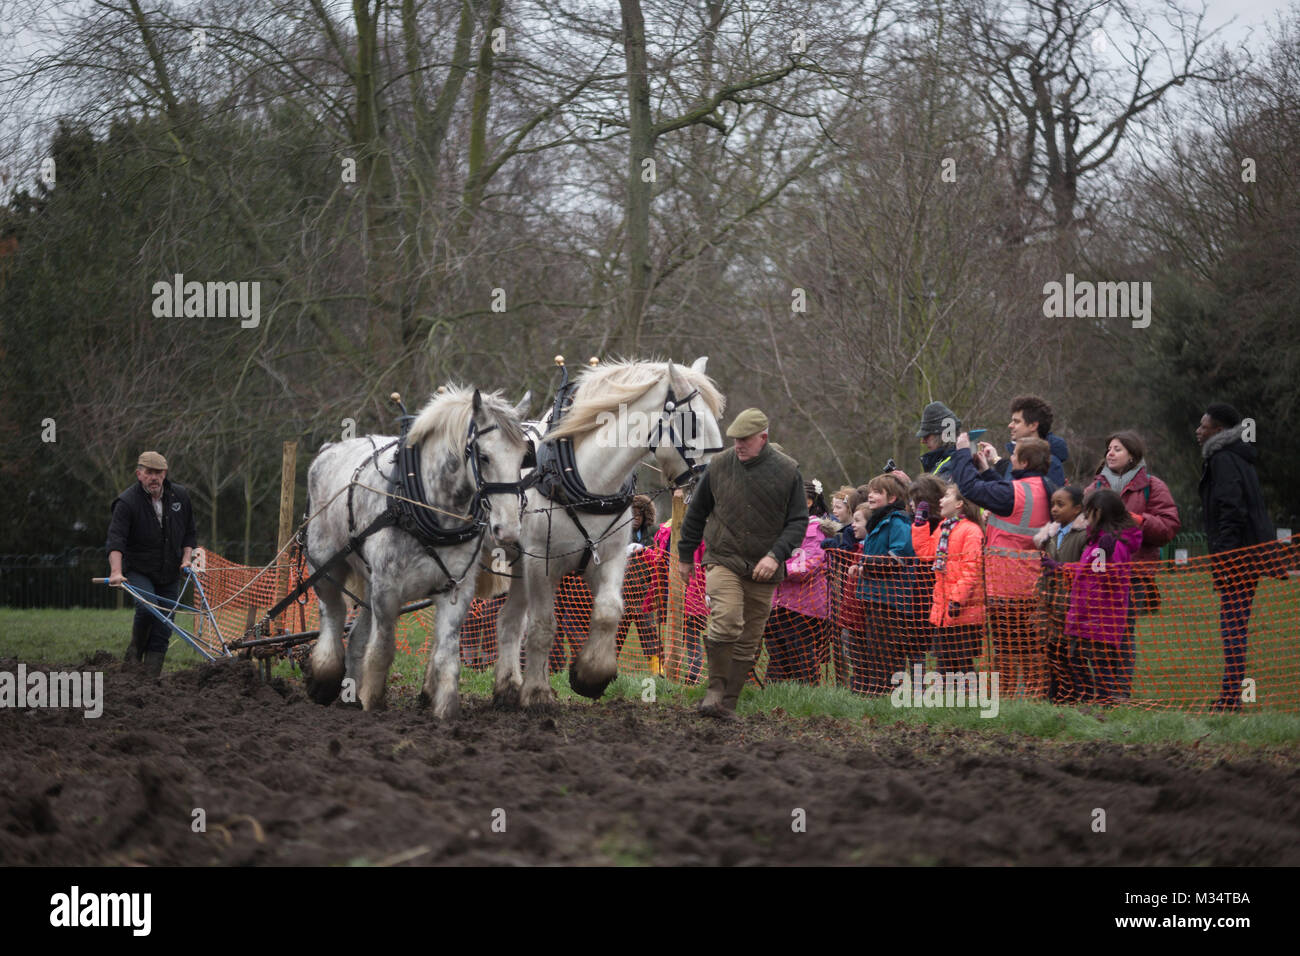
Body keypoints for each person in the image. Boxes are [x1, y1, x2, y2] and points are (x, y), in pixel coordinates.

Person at [678, 408, 808, 719]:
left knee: (749, 636)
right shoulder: (720, 465)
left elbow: (798, 522)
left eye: (745, 440)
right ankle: (713, 690)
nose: (738, 445)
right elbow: (696, 513)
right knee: (727, 618)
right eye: (735, 439)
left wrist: (775, 554)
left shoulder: (788, 471)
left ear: (763, 438)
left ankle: (728, 703)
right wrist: (685, 556)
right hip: (723, 557)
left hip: (765, 566)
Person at [951, 432, 1054, 698]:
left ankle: (1008, 698)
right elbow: (1005, 496)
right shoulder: (1042, 488)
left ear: (1024, 462)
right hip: (1031, 585)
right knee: (1030, 646)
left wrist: (962, 452)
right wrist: (986, 471)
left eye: (1014, 455)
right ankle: (1034, 698)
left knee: (1007, 648)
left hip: (1008, 587)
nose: (1010, 458)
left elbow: (971, 490)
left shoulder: (1014, 492)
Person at [1197, 402, 1276, 711]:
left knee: (1232, 627)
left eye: (1204, 426)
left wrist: (1226, 557)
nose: (1198, 431)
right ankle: (1234, 696)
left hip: (1238, 558)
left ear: (1218, 431)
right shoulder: (1236, 457)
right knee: (1234, 626)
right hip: (1246, 555)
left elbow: (1232, 509)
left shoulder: (1223, 459)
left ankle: (1234, 698)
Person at [1089, 431, 1181, 696]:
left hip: (1133, 574)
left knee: (1122, 632)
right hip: (1098, 572)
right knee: (1099, 633)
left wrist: (1136, 519)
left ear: (1132, 454)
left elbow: (1168, 527)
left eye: (1117, 448)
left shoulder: (1153, 486)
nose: (1110, 453)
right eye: (1108, 448)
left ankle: (1120, 693)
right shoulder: (1095, 487)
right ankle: (1102, 691)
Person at [106, 451, 197, 677]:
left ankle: (150, 677)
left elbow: (189, 534)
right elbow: (116, 539)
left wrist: (187, 559)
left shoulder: (180, 497)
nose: (153, 478)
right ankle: (134, 656)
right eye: (149, 473)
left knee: (165, 623)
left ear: (165, 474)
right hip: (138, 569)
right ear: (139, 474)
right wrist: (116, 571)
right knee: (149, 608)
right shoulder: (126, 503)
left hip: (170, 570)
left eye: (158, 473)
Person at [1063, 489, 1144, 704]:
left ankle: (1104, 705)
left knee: (1100, 667)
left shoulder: (1114, 544)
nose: (1085, 519)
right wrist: (1060, 568)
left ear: (1098, 513)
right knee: (1076, 659)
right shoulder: (1095, 541)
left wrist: (1107, 559)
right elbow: (1087, 571)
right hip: (1084, 614)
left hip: (1101, 619)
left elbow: (1113, 580)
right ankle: (1093, 701)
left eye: (1088, 514)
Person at [848, 473, 916, 694]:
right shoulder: (878, 521)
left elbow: (899, 557)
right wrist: (861, 567)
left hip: (890, 598)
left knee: (888, 649)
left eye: (878, 492)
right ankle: (879, 690)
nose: (871, 495)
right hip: (873, 595)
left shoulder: (898, 522)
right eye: (871, 490)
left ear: (893, 498)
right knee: (876, 648)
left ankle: (889, 691)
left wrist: (866, 565)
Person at [913, 481, 985, 676]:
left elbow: (972, 568)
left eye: (946, 496)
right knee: (944, 661)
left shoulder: (971, 530)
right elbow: (927, 553)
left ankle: (967, 701)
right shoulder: (944, 528)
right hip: (943, 606)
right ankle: (946, 702)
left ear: (959, 503)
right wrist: (920, 525)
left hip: (962, 609)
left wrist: (957, 599)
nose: (941, 500)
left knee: (962, 662)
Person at [764, 480, 831, 684]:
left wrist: (776, 568)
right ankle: (775, 696)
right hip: (778, 601)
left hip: (804, 605)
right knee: (777, 653)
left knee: (801, 655)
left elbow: (809, 563)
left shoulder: (816, 529)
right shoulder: (782, 527)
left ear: (809, 502)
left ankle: (808, 698)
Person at [1033, 486, 1091, 701]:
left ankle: (1082, 696)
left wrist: (1060, 566)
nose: (1054, 509)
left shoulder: (1083, 535)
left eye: (1061, 504)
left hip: (1071, 605)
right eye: (1053, 504)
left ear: (1077, 508)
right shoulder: (1050, 534)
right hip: (1049, 604)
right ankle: (1055, 696)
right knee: (1051, 653)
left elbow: (1087, 568)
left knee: (1072, 655)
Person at [976, 395, 1069, 487]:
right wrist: (991, 462)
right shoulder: (1017, 458)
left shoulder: (1051, 464)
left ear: (1033, 426)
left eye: (1016, 421)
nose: (1010, 425)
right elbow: (1007, 490)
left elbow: (1012, 496)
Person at [616, 494, 662, 673]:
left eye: (639, 515)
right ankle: (607, 672)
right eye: (631, 515)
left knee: (649, 634)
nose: (635, 519)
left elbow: (660, 556)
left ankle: (657, 671)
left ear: (645, 516)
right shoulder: (618, 535)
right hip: (622, 595)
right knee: (616, 635)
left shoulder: (653, 533)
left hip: (644, 596)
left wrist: (647, 549)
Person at [915, 401, 961, 480]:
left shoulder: (953, 465)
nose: (923, 441)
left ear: (941, 436)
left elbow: (935, 492)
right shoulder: (942, 462)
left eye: (926, 436)